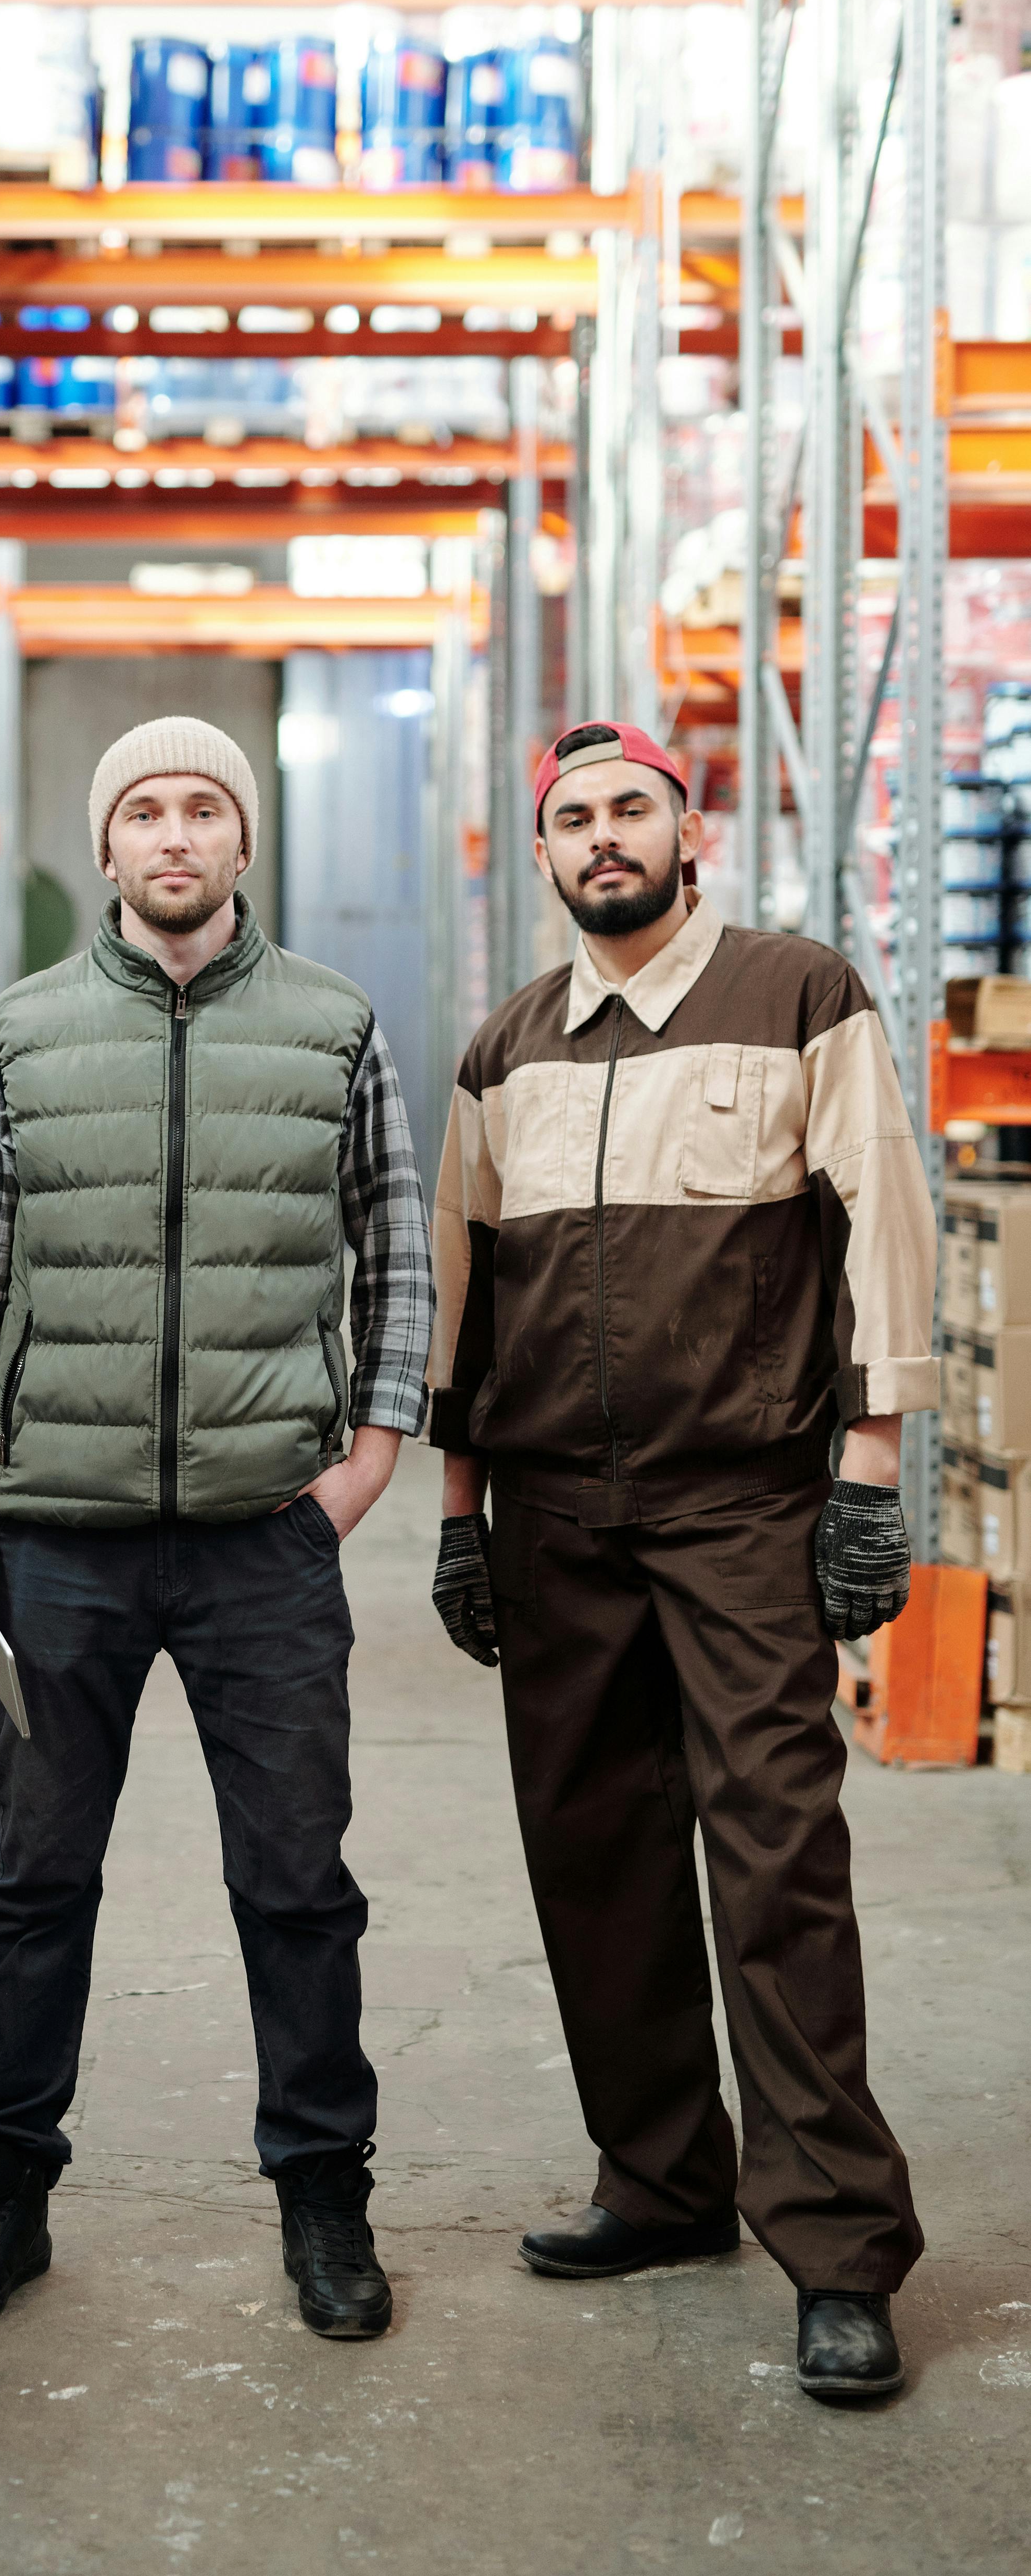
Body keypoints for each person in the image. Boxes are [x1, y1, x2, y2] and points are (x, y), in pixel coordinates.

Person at [428, 719, 935, 2405]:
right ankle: (659, 2186)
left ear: (687, 824)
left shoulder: (800, 993)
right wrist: (456, 1516)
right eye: (570, 818)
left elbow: (882, 1217)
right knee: (593, 1854)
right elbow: (461, 1290)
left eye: (627, 806)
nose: (601, 837)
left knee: (775, 1862)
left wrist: (868, 1473)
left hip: (744, 1506)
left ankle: (840, 2249)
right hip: (556, 1514)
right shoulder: (507, 1045)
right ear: (548, 854)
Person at [0, 716, 433, 2342]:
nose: (174, 834)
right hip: (54, 1540)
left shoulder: (333, 1025)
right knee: (33, 1881)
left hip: (261, 1539)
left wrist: (362, 1463)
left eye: (204, 806)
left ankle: (325, 2204)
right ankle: (1, 2201)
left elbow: (397, 1250)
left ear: (241, 841)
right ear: (109, 845)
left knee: (296, 1885)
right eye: (142, 808)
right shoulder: (22, 1031)